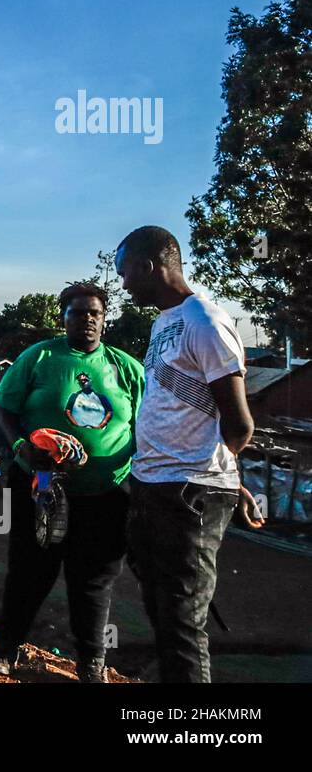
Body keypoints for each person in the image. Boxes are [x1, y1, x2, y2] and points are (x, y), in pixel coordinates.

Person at [116, 226, 263, 683]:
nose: (123, 284)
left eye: (125, 274)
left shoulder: (205, 320)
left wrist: (218, 478)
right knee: (160, 606)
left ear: (148, 266)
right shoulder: (165, 321)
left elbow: (239, 424)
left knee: (182, 619)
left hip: (189, 495)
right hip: (154, 486)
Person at [0, 283, 144, 682]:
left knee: (92, 581)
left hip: (106, 495)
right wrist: (23, 445)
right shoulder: (39, 357)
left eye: (95, 313)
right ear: (63, 317)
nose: (87, 320)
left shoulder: (126, 368)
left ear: (105, 320)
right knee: (29, 571)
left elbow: (149, 427)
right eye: (78, 312)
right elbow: (3, 410)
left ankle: (92, 663)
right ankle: (5, 648)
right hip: (39, 488)